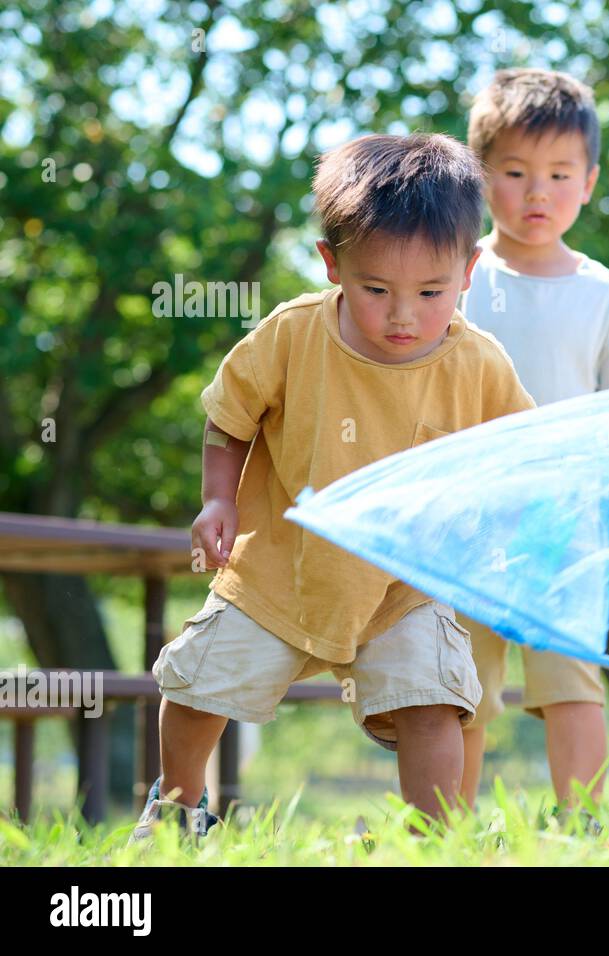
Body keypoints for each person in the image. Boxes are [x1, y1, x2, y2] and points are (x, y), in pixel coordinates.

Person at [132, 132, 535, 841]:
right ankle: (174, 812)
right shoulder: (291, 335)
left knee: (434, 702)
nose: (403, 314)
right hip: (277, 571)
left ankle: (435, 841)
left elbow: (518, 454)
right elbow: (228, 420)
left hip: (402, 583)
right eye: (376, 290)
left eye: (431, 292)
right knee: (197, 687)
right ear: (332, 264)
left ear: (469, 271)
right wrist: (218, 499)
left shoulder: (480, 365)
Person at [458, 68, 609, 808]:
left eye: (557, 174)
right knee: (459, 685)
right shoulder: (454, 277)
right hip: (469, 517)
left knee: (571, 679)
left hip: (568, 521)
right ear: (481, 177)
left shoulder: (604, 293)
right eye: (514, 172)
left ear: (589, 181)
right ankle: (445, 827)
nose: (536, 192)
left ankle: (583, 824)